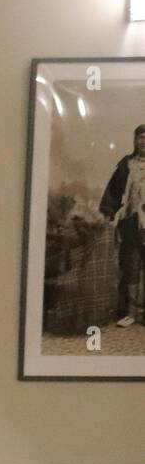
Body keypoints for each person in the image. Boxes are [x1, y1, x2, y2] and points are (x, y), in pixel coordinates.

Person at [99, 124, 145, 328]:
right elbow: (114, 191)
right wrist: (108, 212)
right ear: (134, 140)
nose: (144, 142)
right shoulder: (126, 166)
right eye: (140, 138)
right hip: (130, 224)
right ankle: (130, 312)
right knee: (130, 267)